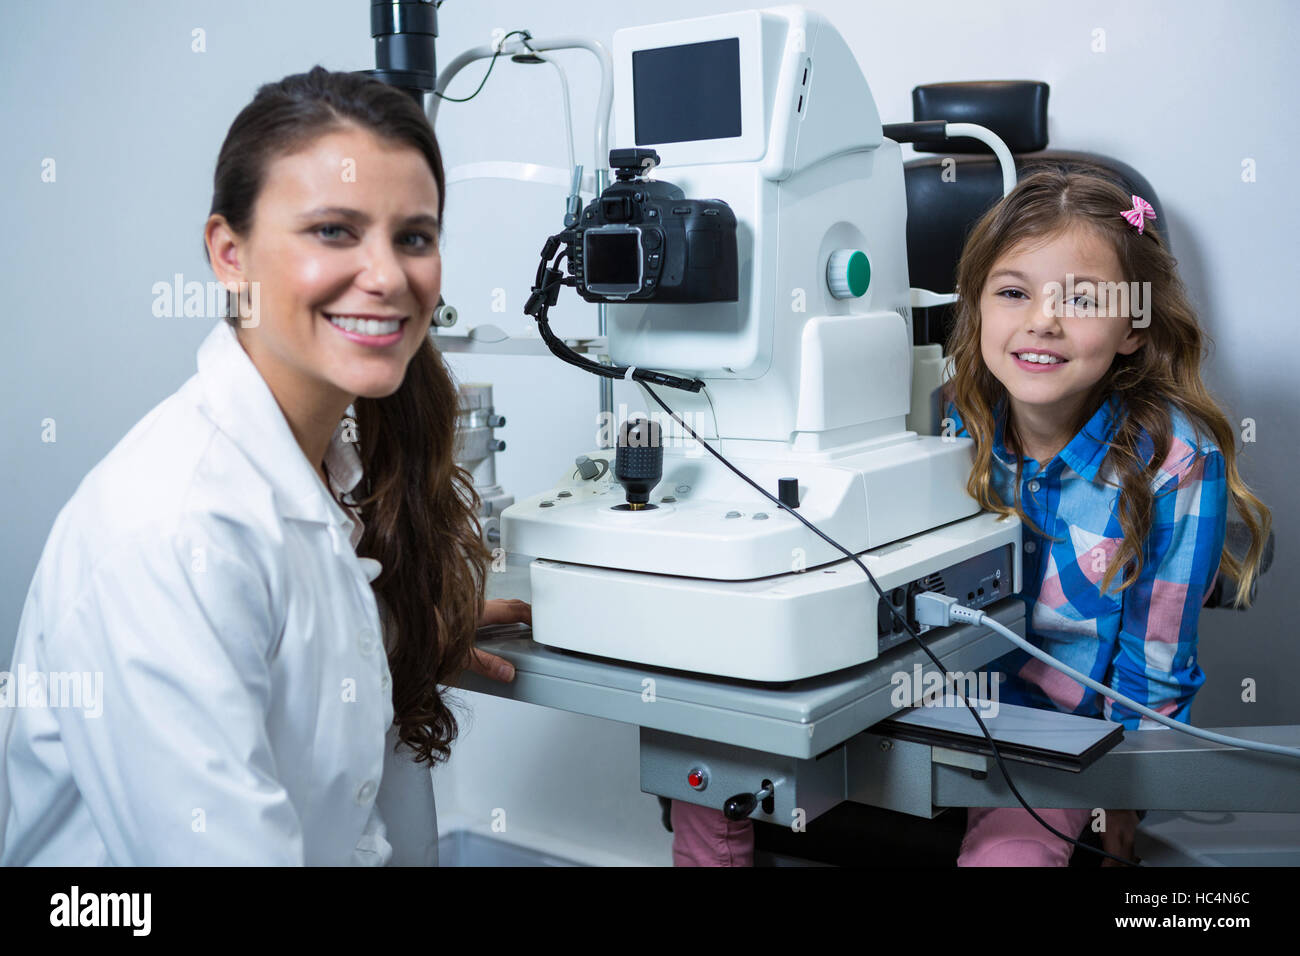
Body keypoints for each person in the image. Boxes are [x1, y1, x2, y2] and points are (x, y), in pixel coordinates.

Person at [0, 66, 526, 865]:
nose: (387, 277)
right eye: (333, 231)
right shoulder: (174, 531)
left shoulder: (320, 475)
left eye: (413, 236)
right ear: (229, 253)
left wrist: (392, 633)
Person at [943, 167, 1270, 865]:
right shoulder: (941, 419)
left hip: (1058, 737)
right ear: (978, 308)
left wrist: (1120, 793)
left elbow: (1155, 665)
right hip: (920, 707)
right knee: (715, 776)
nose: (1043, 320)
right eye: (1013, 293)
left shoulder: (1174, 458)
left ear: (1132, 329)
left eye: (1083, 300)